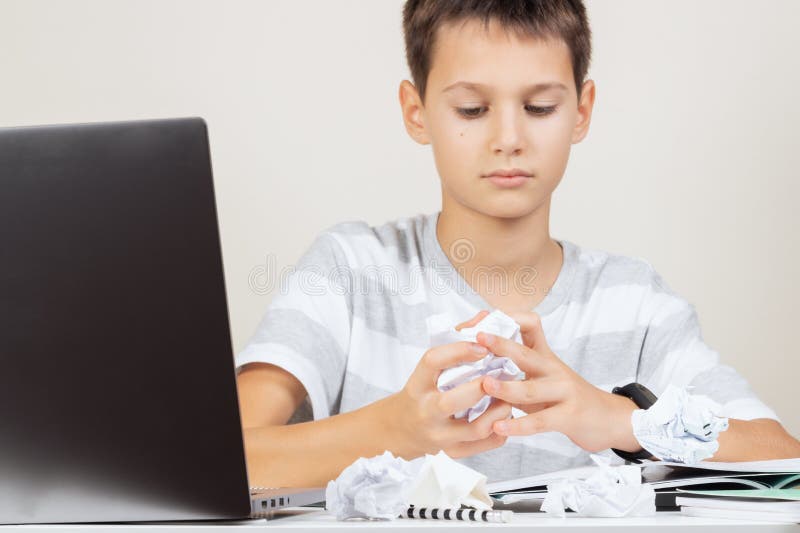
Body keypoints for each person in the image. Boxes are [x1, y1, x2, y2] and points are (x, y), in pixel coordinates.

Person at [235, 0, 800, 488]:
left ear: (582, 111)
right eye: (472, 110)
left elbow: (783, 457)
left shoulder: (636, 304)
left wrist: (616, 419)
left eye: (539, 108)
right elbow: (221, 457)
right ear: (416, 112)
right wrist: (392, 429)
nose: (509, 139)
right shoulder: (349, 271)